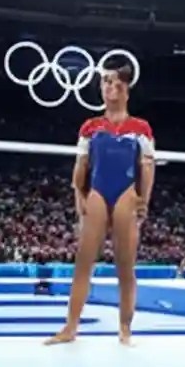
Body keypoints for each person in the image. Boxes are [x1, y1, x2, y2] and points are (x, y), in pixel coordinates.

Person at [46, 60, 154, 346]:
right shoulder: (91, 126)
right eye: (106, 82)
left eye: (116, 82)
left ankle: (125, 328)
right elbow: (81, 165)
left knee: (125, 265)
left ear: (126, 90)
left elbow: (147, 166)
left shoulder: (141, 127)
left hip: (127, 193)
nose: (110, 87)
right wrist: (77, 193)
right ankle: (70, 327)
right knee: (83, 261)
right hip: (97, 191)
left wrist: (144, 199)